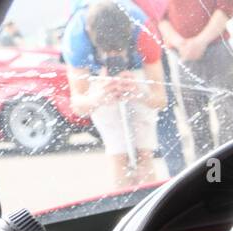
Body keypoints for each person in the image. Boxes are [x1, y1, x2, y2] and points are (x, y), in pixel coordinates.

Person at [63, 0, 167, 189]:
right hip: (98, 80)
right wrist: (98, 98)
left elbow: (160, 100)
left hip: (137, 75)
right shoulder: (76, 36)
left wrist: (140, 94)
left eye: (119, 51)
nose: (113, 57)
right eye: (106, 52)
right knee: (118, 155)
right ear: (90, 33)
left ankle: (148, 200)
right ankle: (122, 205)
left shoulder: (144, 30)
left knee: (144, 155)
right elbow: (78, 105)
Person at [159, 0, 233, 158]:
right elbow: (160, 17)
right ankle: (209, 178)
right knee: (196, 126)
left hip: (217, 48)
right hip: (181, 53)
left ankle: (230, 174)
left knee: (228, 119)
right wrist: (182, 44)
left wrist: (200, 41)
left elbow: (225, 7)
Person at [132, 0, 187, 176]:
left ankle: (176, 175)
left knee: (164, 112)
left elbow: (159, 11)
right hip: (121, 45)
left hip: (151, 42)